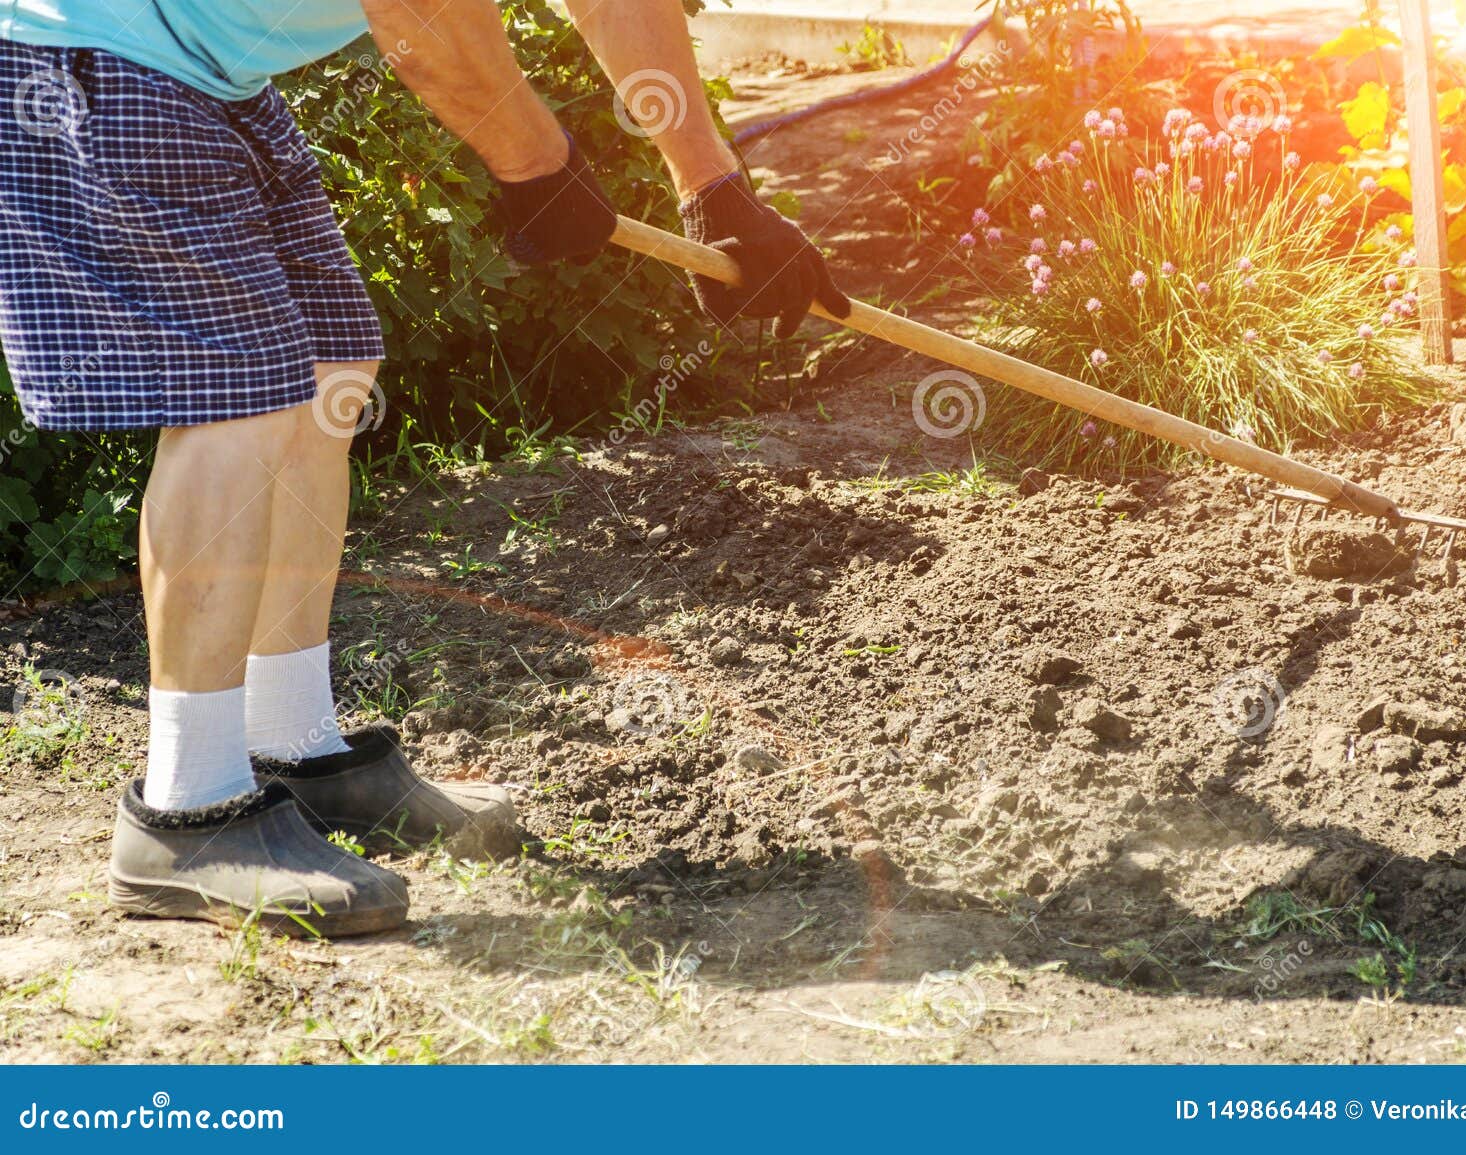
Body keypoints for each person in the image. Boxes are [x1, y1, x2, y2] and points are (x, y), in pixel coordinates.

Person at [0, 0, 848, 936]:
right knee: (235, 399)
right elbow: (426, 23)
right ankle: (186, 809)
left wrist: (711, 186)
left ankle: (292, 747)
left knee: (327, 373)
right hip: (84, 59)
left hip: (208, 76)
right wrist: (539, 166)